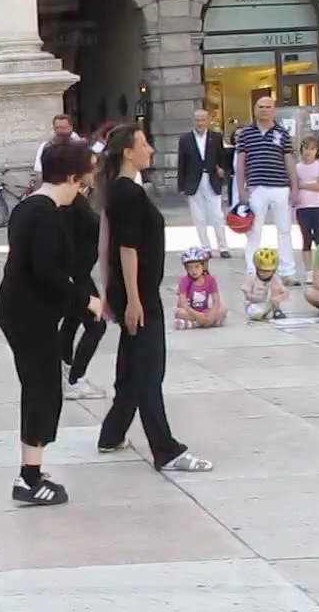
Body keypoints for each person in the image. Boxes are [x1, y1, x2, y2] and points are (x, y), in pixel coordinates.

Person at [97, 126, 212, 473]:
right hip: (141, 295)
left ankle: (112, 433)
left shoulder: (120, 191)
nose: (151, 149)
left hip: (133, 291)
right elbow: (125, 248)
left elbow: (105, 244)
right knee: (149, 372)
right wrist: (132, 300)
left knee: (132, 368)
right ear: (128, 153)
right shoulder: (127, 193)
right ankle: (165, 449)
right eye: (144, 144)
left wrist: (109, 293)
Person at [0, 142, 104, 505]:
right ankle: (28, 479)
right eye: (85, 176)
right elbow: (46, 271)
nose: (87, 184)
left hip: (26, 310)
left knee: (43, 388)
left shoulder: (38, 206)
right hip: (29, 314)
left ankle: (32, 470)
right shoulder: (43, 214)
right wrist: (85, 299)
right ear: (73, 177)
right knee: (42, 389)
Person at [58, 156, 107, 400]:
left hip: (79, 270)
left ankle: (66, 370)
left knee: (71, 321)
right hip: (76, 273)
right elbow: (97, 225)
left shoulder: (80, 196)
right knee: (96, 324)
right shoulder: (74, 201)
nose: (95, 170)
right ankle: (75, 378)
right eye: (92, 166)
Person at [236, 96, 298, 283]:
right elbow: (241, 163)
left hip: (280, 186)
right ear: (255, 109)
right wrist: (241, 190)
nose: (264, 110)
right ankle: (251, 270)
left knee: (284, 229)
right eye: (260, 107)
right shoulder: (246, 133)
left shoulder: (283, 133)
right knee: (254, 230)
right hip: (256, 187)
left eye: (267, 107)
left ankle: (288, 272)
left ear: (274, 110)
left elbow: (289, 161)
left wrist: (295, 186)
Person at [177, 110, 231, 258]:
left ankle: (223, 247)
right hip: (193, 181)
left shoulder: (216, 137)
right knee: (198, 217)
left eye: (202, 120)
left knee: (217, 215)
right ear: (193, 121)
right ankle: (206, 248)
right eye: (197, 120)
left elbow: (223, 158)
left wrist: (222, 170)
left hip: (212, 179)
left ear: (208, 121)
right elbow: (181, 163)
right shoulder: (185, 139)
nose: (200, 123)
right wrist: (181, 186)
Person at [293, 136, 319, 285]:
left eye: (312, 148)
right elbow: (294, 184)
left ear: (317, 151)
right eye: (306, 148)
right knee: (306, 238)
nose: (308, 152)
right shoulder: (297, 167)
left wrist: (302, 185)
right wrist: (305, 185)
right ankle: (308, 271)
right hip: (302, 206)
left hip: (318, 205)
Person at [174, 248, 226, 330]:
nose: (193, 271)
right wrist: (197, 315)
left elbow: (216, 300)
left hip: (205, 310)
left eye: (197, 267)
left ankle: (195, 323)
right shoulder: (184, 281)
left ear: (204, 266)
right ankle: (207, 322)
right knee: (178, 312)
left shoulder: (211, 279)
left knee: (223, 309)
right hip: (190, 311)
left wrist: (212, 313)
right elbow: (183, 303)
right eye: (190, 268)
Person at [241, 248, 289, 321]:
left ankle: (276, 310)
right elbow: (247, 295)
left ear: (274, 270)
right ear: (256, 268)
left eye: (268, 271)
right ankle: (267, 313)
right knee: (256, 313)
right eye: (262, 270)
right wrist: (256, 298)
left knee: (275, 287)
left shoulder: (274, 279)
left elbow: (285, 291)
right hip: (254, 305)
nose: (265, 273)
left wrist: (279, 297)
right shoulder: (252, 277)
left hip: (269, 303)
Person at [33, 114, 82, 178]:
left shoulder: (81, 147)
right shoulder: (45, 147)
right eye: (57, 128)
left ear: (71, 128)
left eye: (63, 128)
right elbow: (39, 172)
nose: (59, 131)